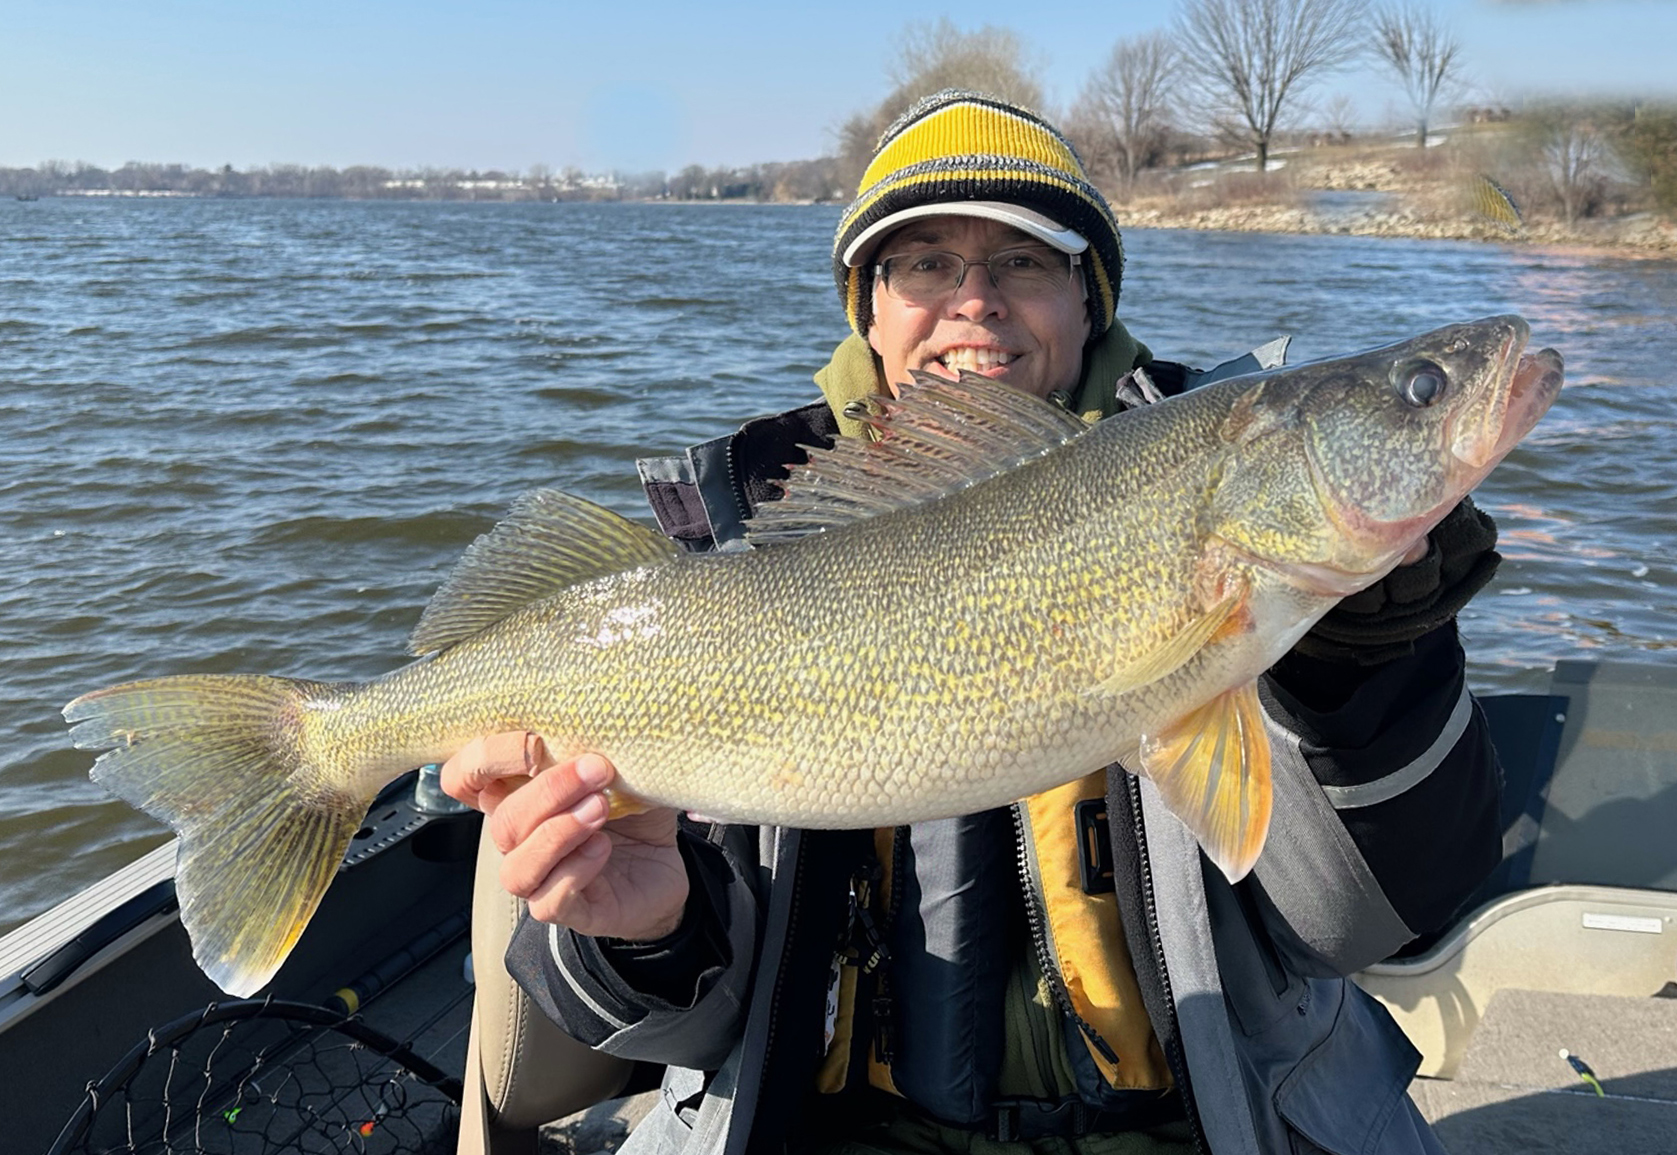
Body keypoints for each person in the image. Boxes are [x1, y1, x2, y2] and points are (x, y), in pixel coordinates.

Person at [442, 90, 1504, 1155]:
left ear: (1088, 300)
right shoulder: (738, 554)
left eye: (1025, 262)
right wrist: (652, 932)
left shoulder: (1249, 539)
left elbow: (1377, 916)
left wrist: (1374, 666)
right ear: (866, 308)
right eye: (923, 265)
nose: (974, 303)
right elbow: (688, 1030)